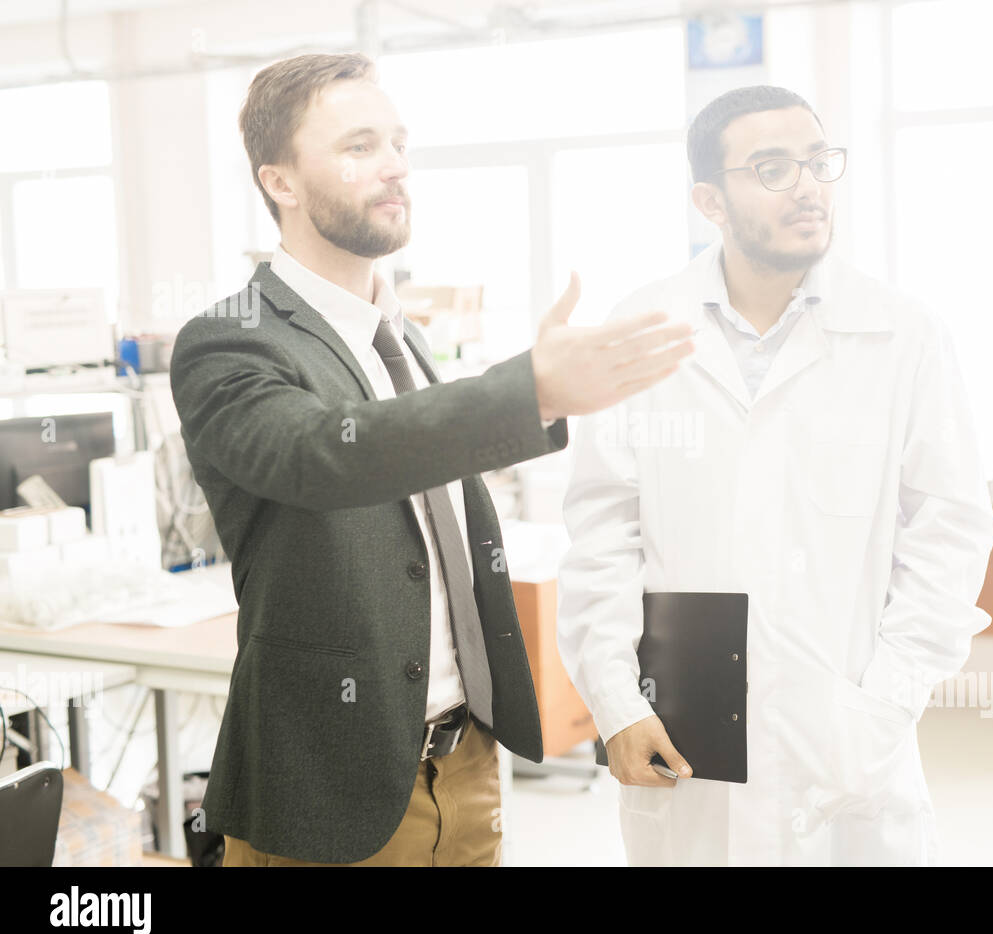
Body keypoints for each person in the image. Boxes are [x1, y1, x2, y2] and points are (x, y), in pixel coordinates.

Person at [169, 52, 694, 866]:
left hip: (463, 764)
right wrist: (529, 393)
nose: (393, 168)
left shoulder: (401, 334)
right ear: (280, 182)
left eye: (398, 144)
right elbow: (324, 456)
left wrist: (536, 398)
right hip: (328, 784)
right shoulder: (230, 338)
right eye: (357, 147)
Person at [557, 85, 993, 866]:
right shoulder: (644, 328)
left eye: (819, 162)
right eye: (771, 168)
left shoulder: (903, 333)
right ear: (709, 200)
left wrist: (883, 705)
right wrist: (617, 704)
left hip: (848, 734)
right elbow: (602, 536)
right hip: (687, 734)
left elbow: (950, 536)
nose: (808, 186)